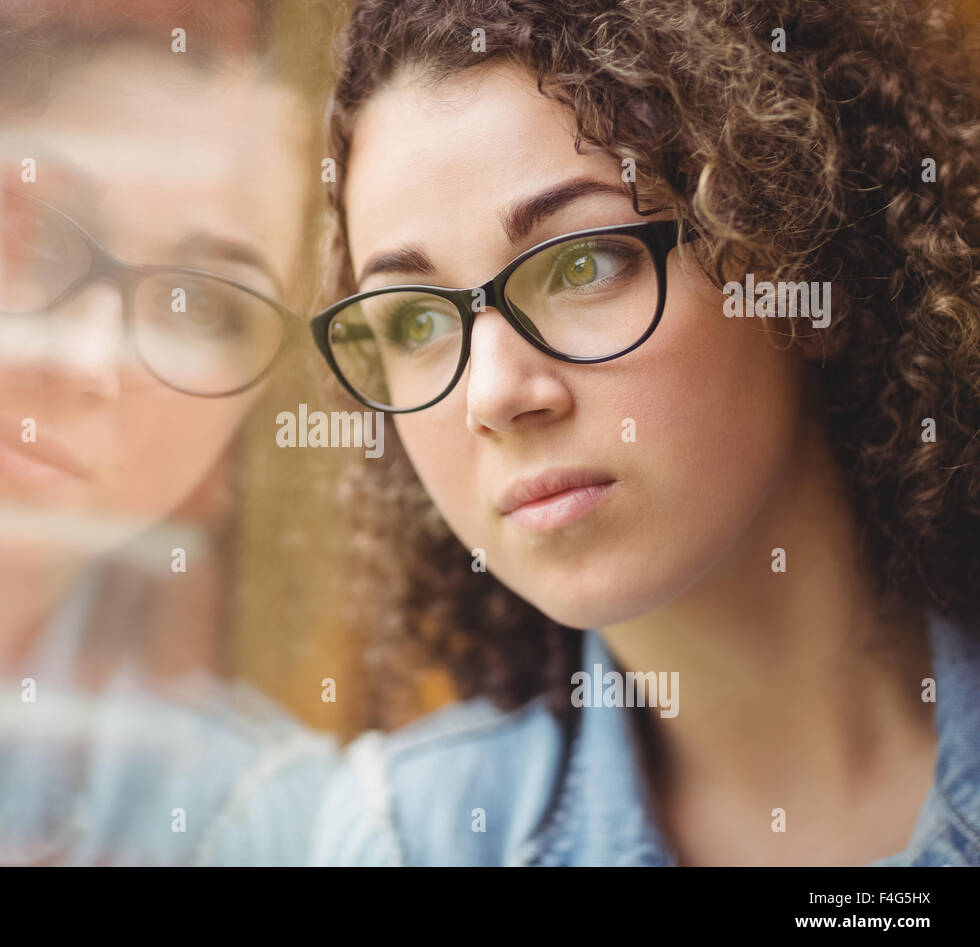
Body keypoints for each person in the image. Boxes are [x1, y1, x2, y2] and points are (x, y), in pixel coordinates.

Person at [303, 0, 980, 865]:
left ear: (804, 263)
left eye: (583, 263)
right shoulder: (410, 839)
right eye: (414, 320)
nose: (496, 394)